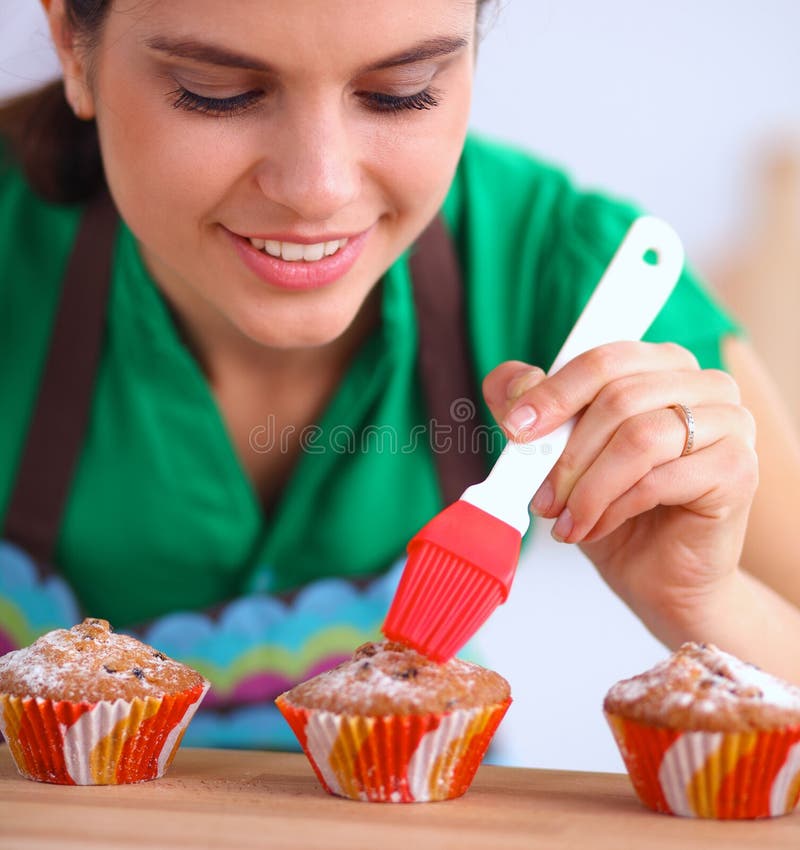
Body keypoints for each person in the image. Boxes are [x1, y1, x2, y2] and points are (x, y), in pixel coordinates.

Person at [2, 0, 800, 751]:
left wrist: (707, 599)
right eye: (220, 93)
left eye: (400, 93)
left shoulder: (579, 278)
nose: (318, 189)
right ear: (74, 43)